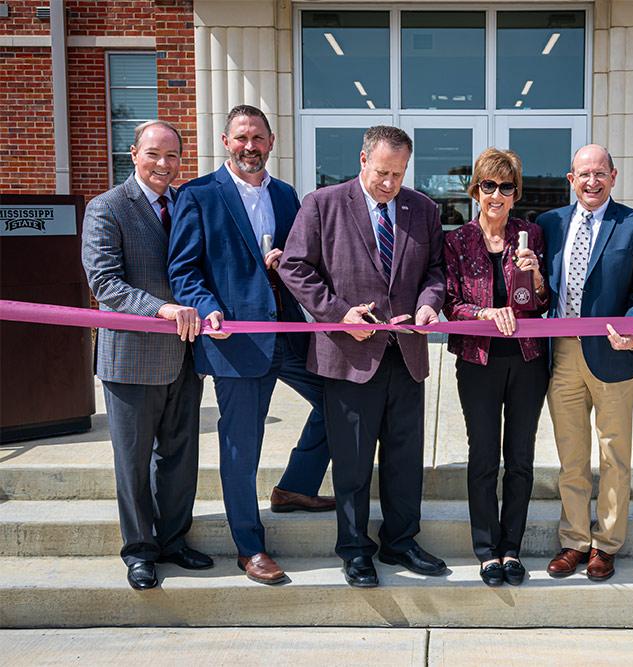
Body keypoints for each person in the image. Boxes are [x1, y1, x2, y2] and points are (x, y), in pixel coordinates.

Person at [168, 105, 336, 586]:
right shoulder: (198, 195)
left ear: (272, 141)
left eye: (258, 138)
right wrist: (204, 306)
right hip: (234, 341)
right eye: (241, 137)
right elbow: (184, 269)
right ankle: (249, 546)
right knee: (242, 446)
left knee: (338, 402)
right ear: (225, 141)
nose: (250, 146)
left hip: (286, 331)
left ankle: (295, 488)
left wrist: (286, 264)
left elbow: (307, 260)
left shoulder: (286, 196)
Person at [278, 125, 447, 588]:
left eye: (398, 173)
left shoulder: (423, 208)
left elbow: (435, 271)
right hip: (349, 357)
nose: (390, 183)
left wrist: (431, 302)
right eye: (381, 172)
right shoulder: (323, 204)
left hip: (406, 354)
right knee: (351, 462)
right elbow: (294, 266)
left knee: (404, 458)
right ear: (362, 160)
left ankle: (401, 540)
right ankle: (354, 548)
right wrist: (337, 313)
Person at [82, 120, 212, 590]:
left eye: (173, 156)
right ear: (133, 154)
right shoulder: (107, 208)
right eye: (154, 154)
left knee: (179, 457)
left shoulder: (187, 204)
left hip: (185, 356)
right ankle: (140, 550)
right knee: (134, 462)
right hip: (132, 358)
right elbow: (104, 284)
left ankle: (174, 540)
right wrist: (161, 307)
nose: (164, 164)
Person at [536, 144, 633, 582]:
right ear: (571, 179)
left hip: (613, 353)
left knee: (614, 455)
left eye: (599, 173)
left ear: (613, 175)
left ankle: (605, 545)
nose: (591, 181)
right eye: (583, 174)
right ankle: (573, 541)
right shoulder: (548, 224)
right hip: (561, 353)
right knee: (571, 456)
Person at [443, 148, 549, 587]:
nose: (497, 195)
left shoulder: (531, 236)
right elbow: (450, 302)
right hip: (478, 360)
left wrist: (538, 277)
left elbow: (543, 303)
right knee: (484, 456)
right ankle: (486, 549)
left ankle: (512, 548)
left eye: (506, 187)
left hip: (527, 360)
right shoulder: (457, 241)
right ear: (476, 191)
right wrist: (485, 315)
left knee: (520, 457)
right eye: (489, 186)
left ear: (516, 193)